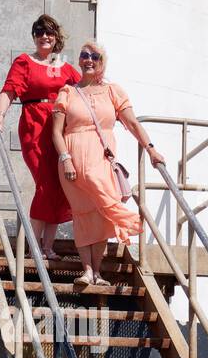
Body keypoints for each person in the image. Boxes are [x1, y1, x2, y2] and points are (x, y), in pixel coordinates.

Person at [51, 40, 164, 289]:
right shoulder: (67, 92)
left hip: (101, 160)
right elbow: (57, 132)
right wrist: (66, 159)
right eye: (84, 55)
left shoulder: (113, 91)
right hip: (72, 161)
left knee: (104, 210)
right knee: (82, 214)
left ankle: (99, 268)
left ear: (102, 63)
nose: (89, 59)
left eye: (95, 56)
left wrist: (151, 149)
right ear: (79, 60)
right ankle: (88, 271)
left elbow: (132, 123)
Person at [0, 16, 81, 258]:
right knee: (45, 183)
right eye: (39, 32)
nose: (44, 36)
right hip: (35, 127)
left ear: (56, 37)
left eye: (49, 32)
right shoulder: (24, 62)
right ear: (34, 36)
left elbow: (85, 96)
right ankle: (33, 248)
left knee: (58, 186)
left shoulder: (68, 69)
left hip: (60, 131)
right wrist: (0, 114)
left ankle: (47, 248)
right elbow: (9, 90)